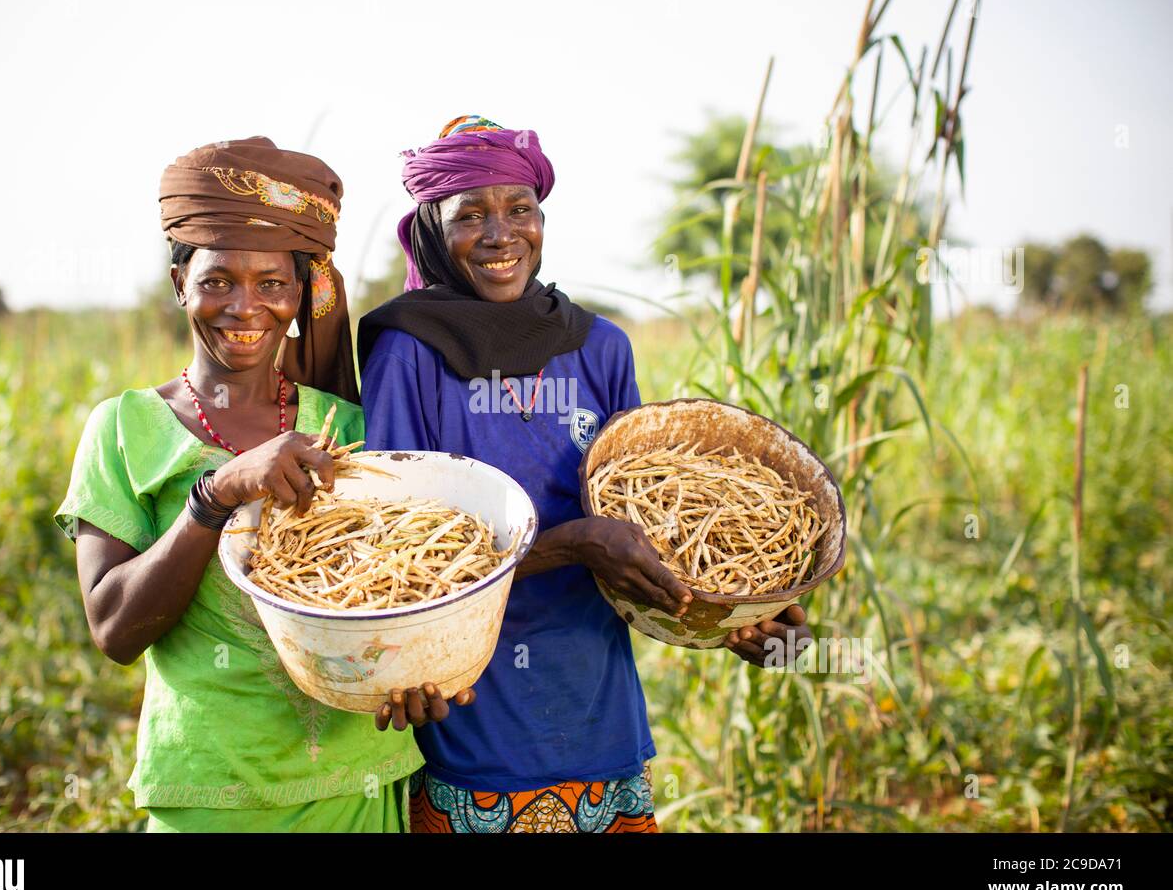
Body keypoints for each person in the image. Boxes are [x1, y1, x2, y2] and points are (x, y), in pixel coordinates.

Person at [358, 115, 813, 833]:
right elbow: (403, 556)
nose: (502, 233)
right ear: (430, 233)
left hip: (599, 721)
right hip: (473, 728)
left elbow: (652, 526)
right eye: (470, 214)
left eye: (520, 209)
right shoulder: (407, 353)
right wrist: (575, 543)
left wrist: (737, 616)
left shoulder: (599, 348)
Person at [55, 137, 461, 832]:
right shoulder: (125, 429)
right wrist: (216, 496)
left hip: (353, 783)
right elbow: (116, 630)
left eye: (272, 283)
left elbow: (400, 596)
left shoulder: (349, 427)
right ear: (180, 283)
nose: (245, 307)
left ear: (302, 294)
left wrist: (418, 677)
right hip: (209, 791)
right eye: (217, 280)